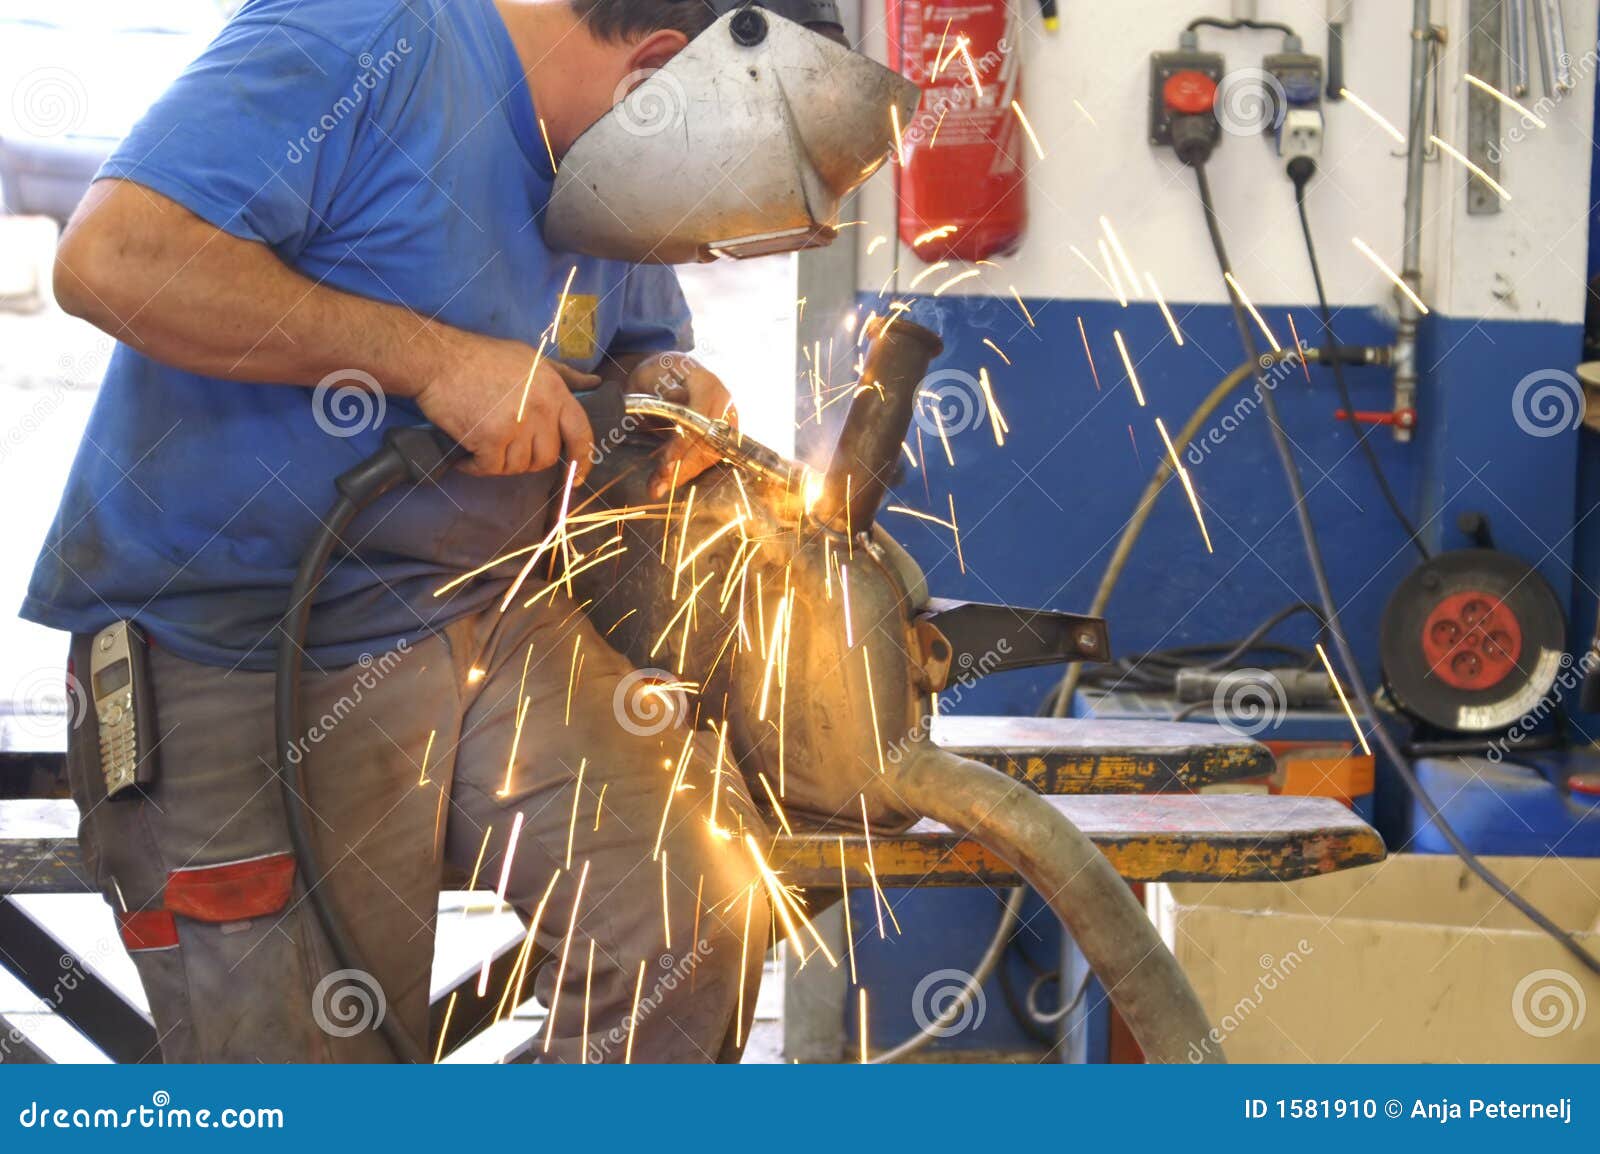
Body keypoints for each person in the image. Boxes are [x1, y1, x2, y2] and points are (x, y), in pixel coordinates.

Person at [22, 0, 900, 1063]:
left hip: (491, 617)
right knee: (332, 1062)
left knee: (695, 906)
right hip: (239, 651)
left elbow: (623, 352)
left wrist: (663, 387)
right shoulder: (364, 39)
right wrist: (433, 362)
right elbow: (114, 257)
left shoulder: (612, 173)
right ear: (658, 68)